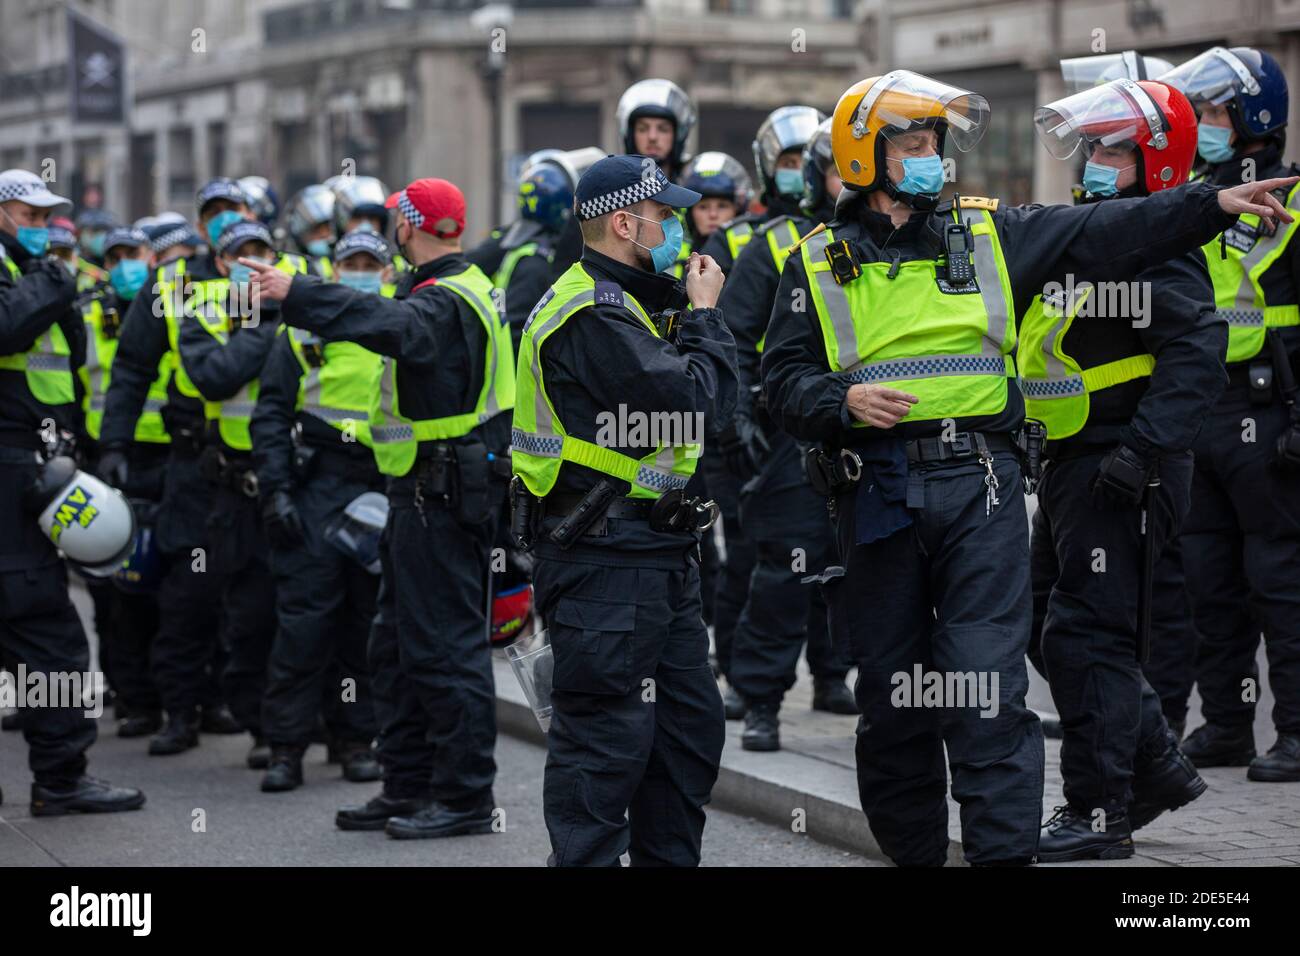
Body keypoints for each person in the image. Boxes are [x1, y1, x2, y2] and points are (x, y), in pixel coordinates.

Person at [760, 70, 1292, 866]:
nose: (930, 159)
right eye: (910, 145)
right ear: (865, 158)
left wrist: (1207, 205)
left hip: (983, 486)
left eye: (933, 144)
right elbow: (781, 382)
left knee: (988, 691)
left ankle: (1004, 857)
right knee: (895, 696)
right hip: (878, 495)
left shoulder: (990, 234)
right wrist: (841, 402)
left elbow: (1112, 229)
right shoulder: (815, 261)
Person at [244, 177, 514, 839]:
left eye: (397, 220)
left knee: (446, 650)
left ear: (408, 227)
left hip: (441, 498)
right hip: (417, 494)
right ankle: (407, 785)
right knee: (394, 647)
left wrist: (295, 291)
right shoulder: (445, 286)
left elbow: (390, 327)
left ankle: (464, 798)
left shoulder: (446, 298)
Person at [509, 154, 737, 866]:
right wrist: (704, 316)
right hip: (606, 561)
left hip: (656, 556)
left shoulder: (630, 300)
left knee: (684, 740)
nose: (677, 228)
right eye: (665, 216)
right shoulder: (594, 313)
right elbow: (701, 410)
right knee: (604, 753)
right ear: (622, 221)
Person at [1025, 78, 1222, 861]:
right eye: (1094, 147)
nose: (1095, 162)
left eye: (1112, 149)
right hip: (1076, 465)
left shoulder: (1159, 252)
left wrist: (1142, 448)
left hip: (1122, 468)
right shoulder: (1099, 238)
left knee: (1088, 636)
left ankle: (1099, 812)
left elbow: (1198, 355)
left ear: (1156, 165)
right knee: (1052, 626)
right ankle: (1158, 762)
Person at [1160, 47, 1300, 782]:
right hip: (1200, 410)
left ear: (1253, 119)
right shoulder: (1190, 198)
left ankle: (1298, 733)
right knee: (1207, 580)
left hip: (1268, 411)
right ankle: (1226, 726)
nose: (1205, 127)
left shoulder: (1298, 201)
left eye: (1214, 114)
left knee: (1278, 578)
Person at [0, 167, 144, 815]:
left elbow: (66, 388)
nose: (42, 230)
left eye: (43, 219)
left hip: (38, 470)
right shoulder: (34, 282)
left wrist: (86, 454)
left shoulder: (40, 282)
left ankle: (60, 774)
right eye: (29, 218)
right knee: (48, 634)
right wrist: (53, 281)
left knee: (38, 630)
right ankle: (60, 778)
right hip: (8, 475)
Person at [99, 177, 259, 758]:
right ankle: (181, 709)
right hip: (193, 462)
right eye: (211, 212)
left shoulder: (282, 272)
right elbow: (132, 369)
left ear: (252, 213)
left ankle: (243, 708)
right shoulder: (172, 283)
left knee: (253, 595)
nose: (223, 221)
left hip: (266, 462)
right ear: (199, 226)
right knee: (186, 593)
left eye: (232, 210)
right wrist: (113, 443)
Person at [718, 118, 856, 749]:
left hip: (874, 429)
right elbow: (735, 337)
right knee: (785, 568)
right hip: (795, 431)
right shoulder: (775, 244)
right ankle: (762, 698)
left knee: (856, 566)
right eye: (834, 167)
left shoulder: (897, 240)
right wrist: (742, 412)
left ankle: (834, 677)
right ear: (813, 177)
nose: (846, 178)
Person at [250, 229, 391, 792]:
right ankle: (286, 747)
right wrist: (276, 490)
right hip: (318, 483)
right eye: (349, 263)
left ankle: (355, 739)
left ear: (385, 272)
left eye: (369, 264)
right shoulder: (303, 328)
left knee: (364, 623)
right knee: (304, 623)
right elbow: (270, 416)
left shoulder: (399, 322)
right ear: (333, 271)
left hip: (377, 486)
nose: (359, 271)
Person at [178, 218, 304, 771]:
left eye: (263, 252)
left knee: (303, 611)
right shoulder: (204, 311)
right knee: (248, 614)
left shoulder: (301, 304)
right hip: (236, 485)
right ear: (222, 263)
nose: (253, 263)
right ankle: (261, 726)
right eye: (240, 254)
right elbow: (215, 375)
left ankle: (307, 726)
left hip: (296, 477)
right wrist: (265, 326)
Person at [76, 226, 171, 739]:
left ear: (150, 257)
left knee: (175, 585)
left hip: (173, 456)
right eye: (114, 257)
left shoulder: (173, 304)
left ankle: (184, 699)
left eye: (132, 254)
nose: (125, 264)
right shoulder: (88, 313)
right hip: (109, 460)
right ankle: (135, 698)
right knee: (117, 588)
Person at [700, 105, 825, 276]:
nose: (799, 171)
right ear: (768, 171)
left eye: (806, 162)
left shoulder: (848, 230)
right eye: (788, 163)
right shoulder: (731, 239)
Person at [616, 78, 696, 181]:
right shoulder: (613, 190)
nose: (652, 137)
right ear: (630, 135)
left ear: (678, 136)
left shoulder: (694, 187)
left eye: (663, 129)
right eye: (642, 129)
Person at [287, 184, 339, 277]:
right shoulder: (289, 264)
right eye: (316, 231)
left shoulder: (346, 264)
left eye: (328, 229)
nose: (324, 235)